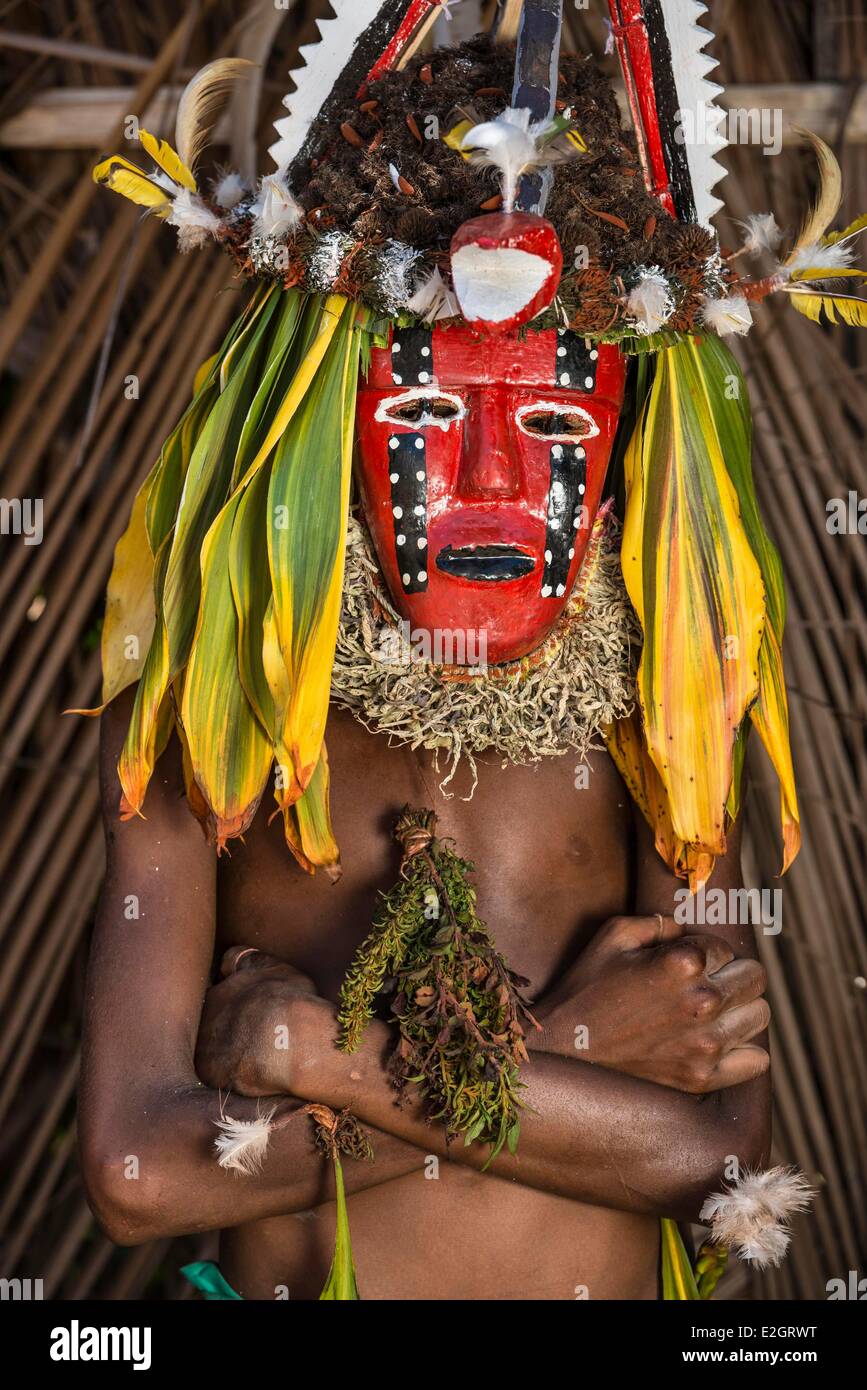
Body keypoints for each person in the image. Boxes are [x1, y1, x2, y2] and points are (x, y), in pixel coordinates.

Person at [80, 1, 850, 1299]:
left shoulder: (666, 724)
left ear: (614, 461)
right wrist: (582, 1042)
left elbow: (718, 1164)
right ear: (326, 431)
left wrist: (319, 1064)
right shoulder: (215, 733)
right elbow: (142, 1172)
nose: (489, 477)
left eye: (551, 419)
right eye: (430, 408)